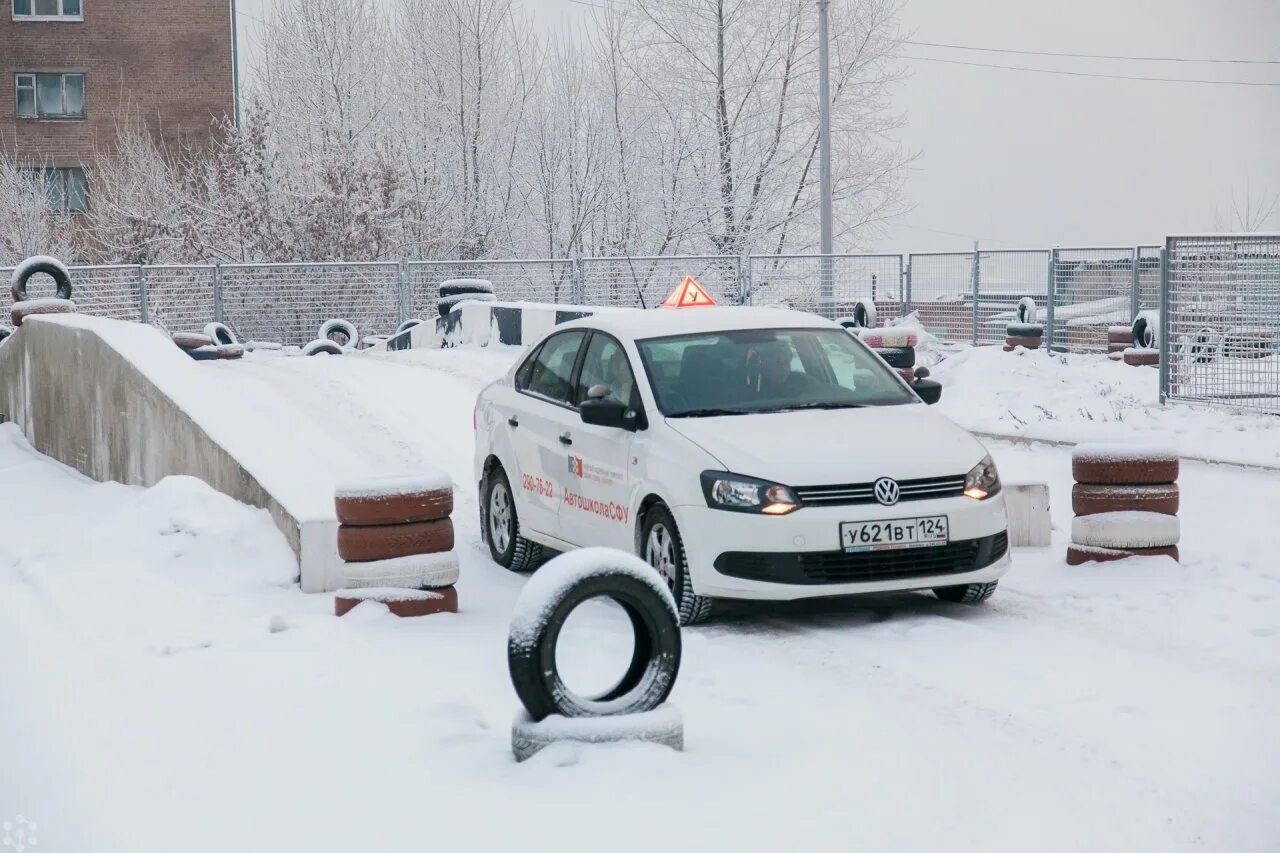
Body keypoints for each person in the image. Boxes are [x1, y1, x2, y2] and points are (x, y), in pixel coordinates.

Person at [745, 339, 818, 398]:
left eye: (786, 362)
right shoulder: (751, 386)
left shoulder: (802, 381)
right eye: (777, 363)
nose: (783, 368)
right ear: (764, 363)